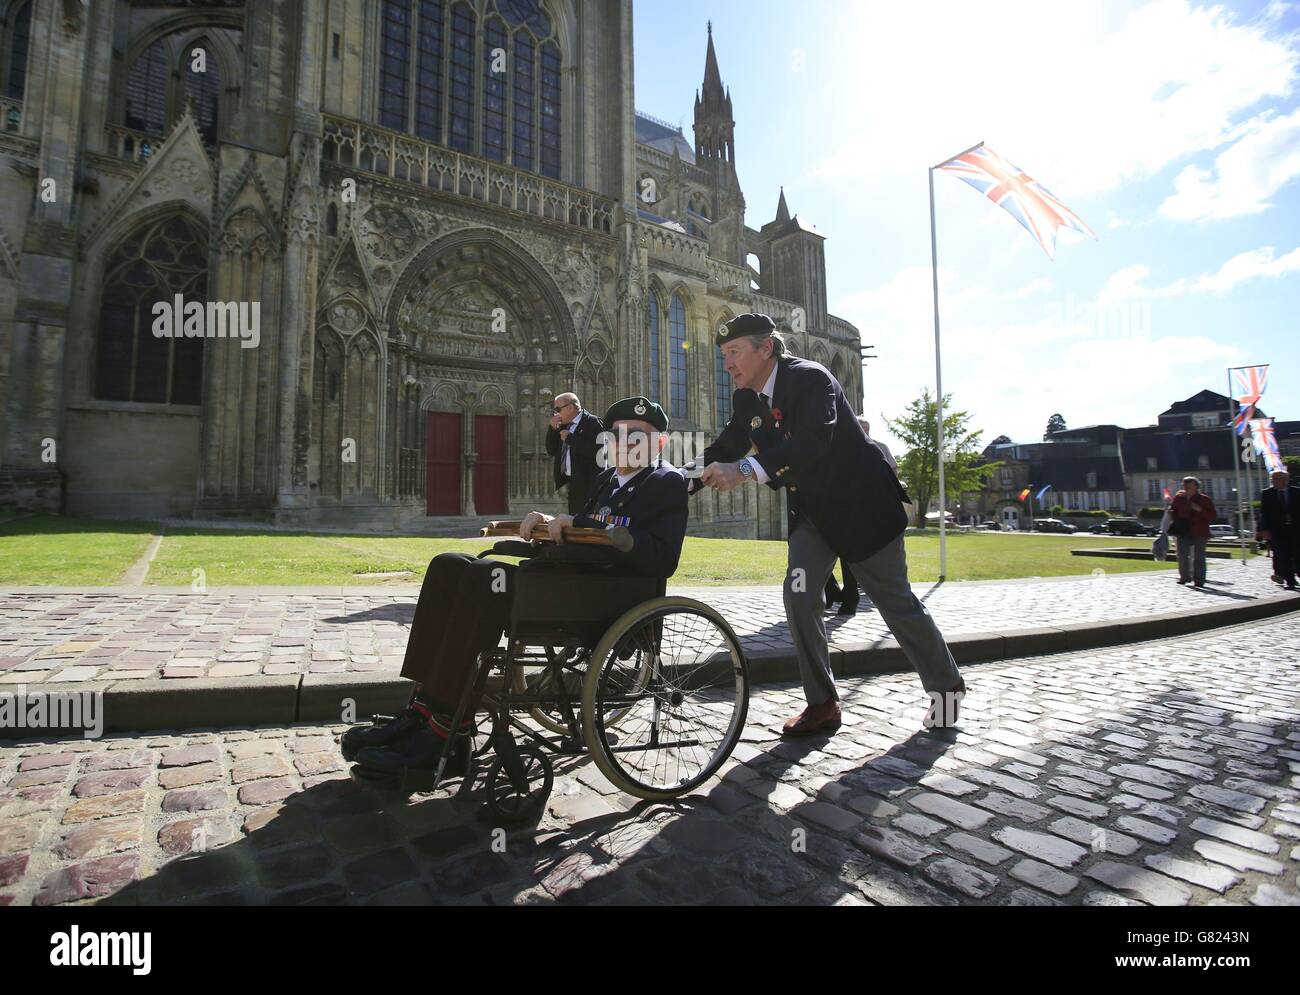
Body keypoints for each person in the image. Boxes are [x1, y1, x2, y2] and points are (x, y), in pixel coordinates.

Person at [342, 396, 687, 777]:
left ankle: (444, 733)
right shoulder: (606, 479)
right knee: (449, 566)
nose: (627, 442)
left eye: (639, 436)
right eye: (620, 435)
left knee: (481, 579)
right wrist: (548, 522)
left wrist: (595, 529)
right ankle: (423, 709)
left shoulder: (666, 481)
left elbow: (662, 557)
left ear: (659, 444)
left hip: (602, 596)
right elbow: (575, 526)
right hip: (569, 579)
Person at [699, 313, 964, 735]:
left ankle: (947, 687)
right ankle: (822, 704)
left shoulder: (811, 379)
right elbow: (725, 445)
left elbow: (811, 444)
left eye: (733, 353)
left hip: (863, 511)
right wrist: (681, 476)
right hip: (813, 516)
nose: (727, 364)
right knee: (800, 594)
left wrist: (745, 470)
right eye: (724, 356)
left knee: (897, 605)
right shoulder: (746, 398)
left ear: (765, 348)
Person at [825, 416, 899, 615]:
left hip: (872, 507)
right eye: (860, 427)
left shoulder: (879, 447)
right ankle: (833, 591)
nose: (863, 431)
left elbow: (892, 472)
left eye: (866, 428)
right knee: (826, 548)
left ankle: (852, 596)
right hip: (844, 505)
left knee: (856, 553)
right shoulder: (839, 446)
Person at [546, 392, 605, 515]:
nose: (556, 413)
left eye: (558, 409)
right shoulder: (564, 425)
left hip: (589, 483)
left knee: (587, 523)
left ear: (570, 407)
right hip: (573, 483)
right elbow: (552, 450)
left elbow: (600, 452)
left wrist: (571, 439)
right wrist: (553, 429)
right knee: (575, 521)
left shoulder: (593, 423)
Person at [1169, 475, 1216, 588]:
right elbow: (1173, 510)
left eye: (1189, 485)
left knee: (1199, 557)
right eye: (1185, 485)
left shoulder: (1204, 499)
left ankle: (1199, 580)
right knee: (1182, 555)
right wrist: (1171, 513)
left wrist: (1200, 510)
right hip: (1183, 530)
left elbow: (1212, 516)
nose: (1187, 487)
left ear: (1196, 486)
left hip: (1199, 531)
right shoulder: (1179, 498)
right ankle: (1184, 577)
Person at [1258, 469, 1300, 591]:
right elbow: (1263, 513)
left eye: (1278, 479)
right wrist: (1264, 530)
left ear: (1285, 480)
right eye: (1273, 480)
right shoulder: (1267, 493)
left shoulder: (1296, 492)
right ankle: (1290, 581)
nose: (1275, 482)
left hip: (1296, 529)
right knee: (1283, 555)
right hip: (1278, 531)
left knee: (1297, 554)